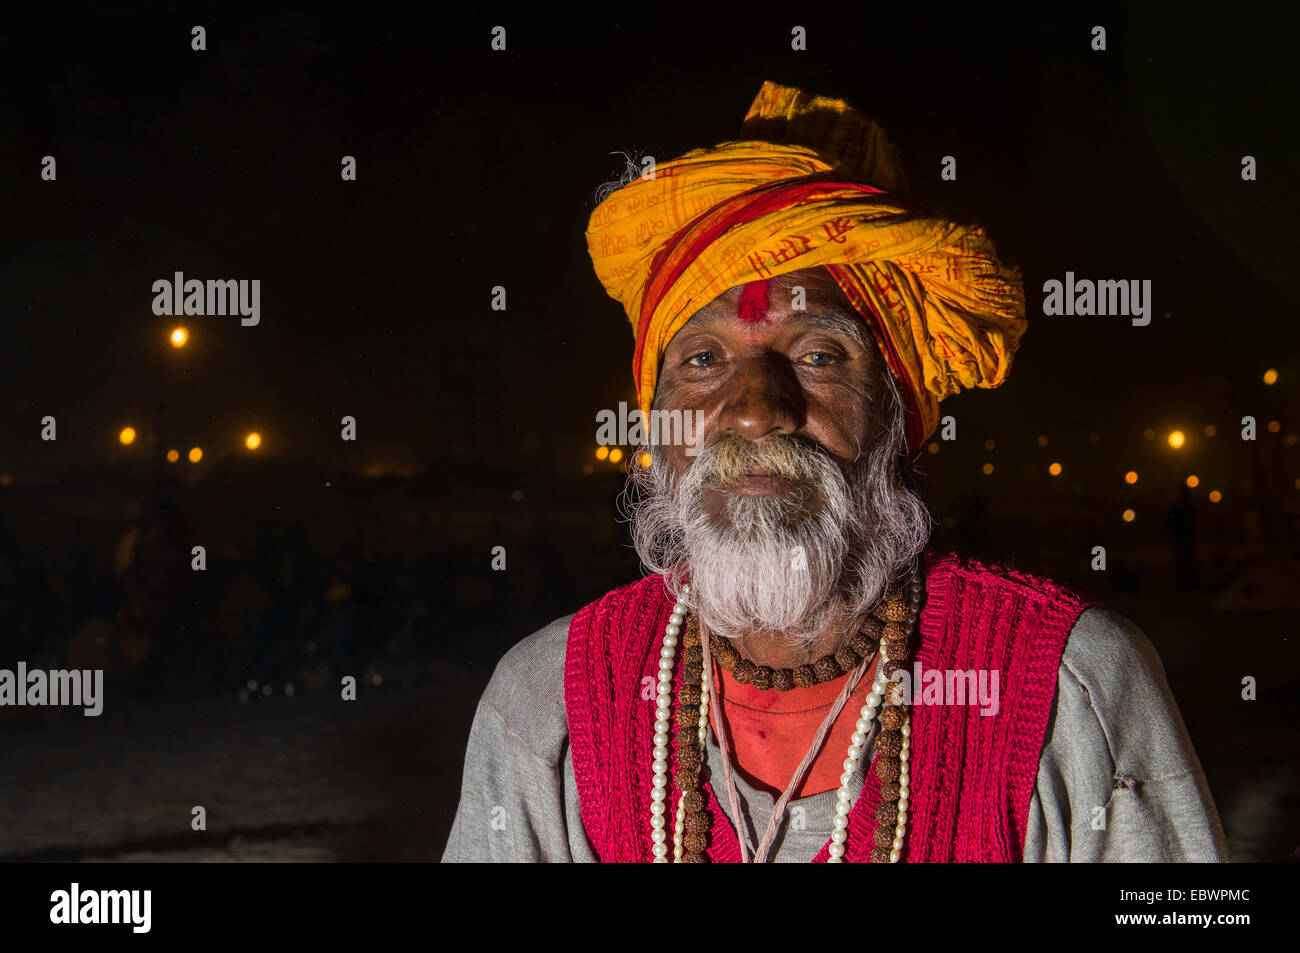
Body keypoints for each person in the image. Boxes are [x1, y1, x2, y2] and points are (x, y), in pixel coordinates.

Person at [442, 82, 1227, 863]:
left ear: (897, 408)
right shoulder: (549, 706)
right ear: (656, 419)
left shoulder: (1069, 688)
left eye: (819, 356)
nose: (754, 411)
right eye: (704, 360)